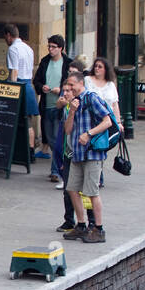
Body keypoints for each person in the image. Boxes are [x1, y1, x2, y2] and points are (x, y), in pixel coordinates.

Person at [61, 73, 114, 244]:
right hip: (77, 153)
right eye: (67, 86)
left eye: (71, 85)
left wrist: (89, 134)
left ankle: (99, 228)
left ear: (80, 83)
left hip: (92, 152)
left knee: (92, 191)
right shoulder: (73, 104)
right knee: (72, 188)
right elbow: (68, 130)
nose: (69, 89)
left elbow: (107, 121)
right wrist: (72, 111)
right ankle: (81, 224)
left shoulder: (91, 98)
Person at [55, 66, 97, 233]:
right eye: (64, 90)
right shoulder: (67, 108)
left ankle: (92, 221)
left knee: (85, 192)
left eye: (69, 90)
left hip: (81, 154)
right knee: (68, 189)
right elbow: (65, 134)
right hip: (68, 153)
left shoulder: (82, 106)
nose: (65, 93)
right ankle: (70, 220)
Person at [32, 35, 72, 183]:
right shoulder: (44, 61)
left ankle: (57, 170)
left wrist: (61, 90)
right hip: (47, 105)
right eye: (49, 46)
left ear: (60, 48)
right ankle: (61, 167)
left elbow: (73, 84)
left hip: (62, 106)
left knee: (56, 139)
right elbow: (36, 80)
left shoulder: (68, 63)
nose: (50, 49)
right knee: (49, 137)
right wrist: (42, 87)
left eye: (53, 47)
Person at [4, 24, 39, 156]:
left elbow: (14, 72)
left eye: (5, 37)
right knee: (28, 120)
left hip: (18, 85)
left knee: (11, 120)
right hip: (28, 85)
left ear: (8, 35)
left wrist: (11, 92)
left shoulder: (13, 49)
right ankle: (30, 151)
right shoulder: (28, 48)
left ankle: (13, 150)